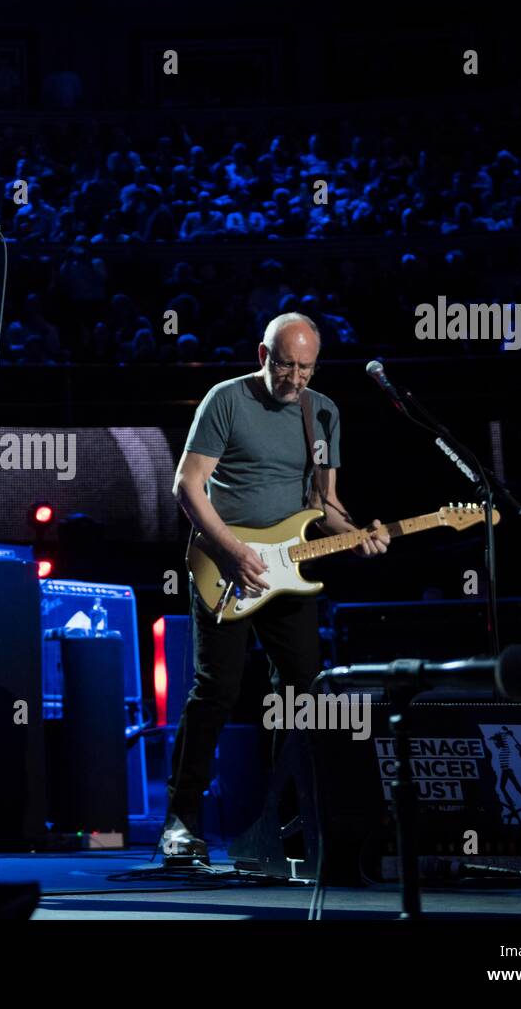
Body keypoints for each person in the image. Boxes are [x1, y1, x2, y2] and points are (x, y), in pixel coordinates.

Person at [163, 313, 389, 864]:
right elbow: (187, 485)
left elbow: (324, 504)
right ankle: (181, 819)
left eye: (306, 368)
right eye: (286, 365)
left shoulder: (324, 412)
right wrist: (231, 551)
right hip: (224, 563)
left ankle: (282, 819)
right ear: (263, 356)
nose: (295, 379)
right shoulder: (227, 400)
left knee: (302, 693)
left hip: (290, 568)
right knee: (216, 689)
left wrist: (357, 535)